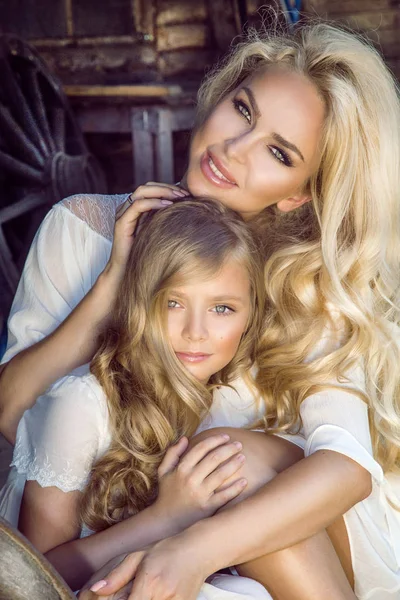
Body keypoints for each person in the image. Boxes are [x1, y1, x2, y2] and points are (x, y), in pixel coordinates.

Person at [1, 16, 400, 600]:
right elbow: (11, 418)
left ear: (297, 193)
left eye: (278, 153)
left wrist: (193, 550)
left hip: (292, 536)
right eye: (242, 110)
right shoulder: (81, 229)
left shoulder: (307, 282)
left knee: (231, 466)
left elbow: (346, 466)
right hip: (117, 529)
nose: (233, 151)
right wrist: (115, 284)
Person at [0, 198, 273, 599]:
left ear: (250, 315)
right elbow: (36, 578)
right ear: (140, 302)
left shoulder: (230, 398)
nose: (195, 331)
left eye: (221, 308)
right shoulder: (80, 406)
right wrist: (167, 517)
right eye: (174, 303)